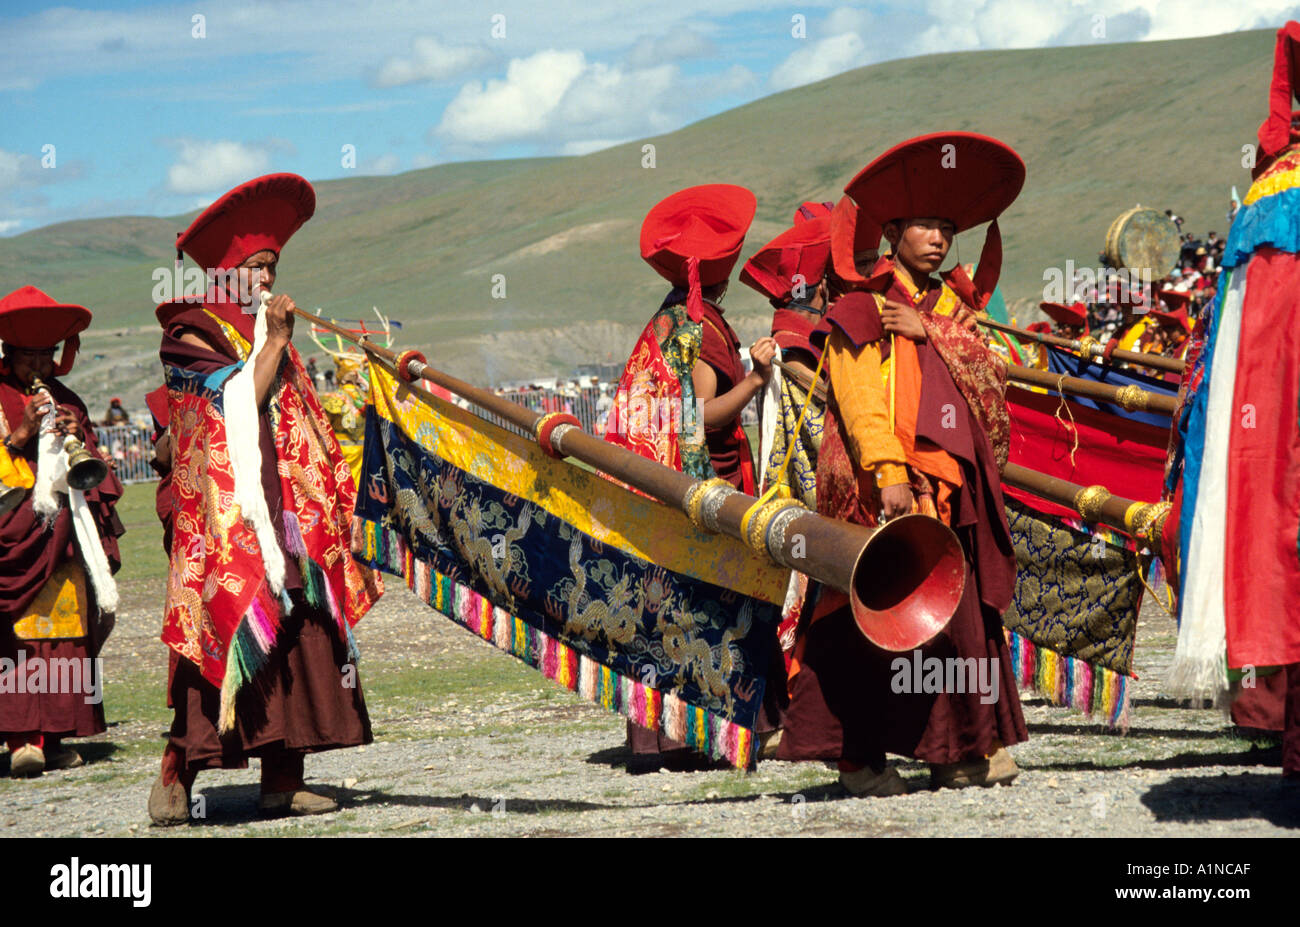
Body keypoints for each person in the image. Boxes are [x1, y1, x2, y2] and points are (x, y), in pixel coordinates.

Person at [777, 133, 1027, 795]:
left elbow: (993, 381)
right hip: (883, 488)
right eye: (925, 226)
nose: (940, 239)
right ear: (892, 232)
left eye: (948, 228)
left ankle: (965, 746)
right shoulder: (863, 307)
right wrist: (887, 471)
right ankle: (862, 759)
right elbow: (858, 399)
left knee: (959, 620)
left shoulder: (950, 312)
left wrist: (936, 334)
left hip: (952, 487)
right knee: (876, 625)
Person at [147, 173, 382, 825]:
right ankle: (178, 766)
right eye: (255, 267)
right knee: (221, 631)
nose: (267, 279)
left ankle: (285, 775)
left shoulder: (271, 332)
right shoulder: (189, 332)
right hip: (222, 520)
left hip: (286, 511)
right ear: (225, 272)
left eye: (273, 266)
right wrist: (273, 342)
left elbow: (297, 420)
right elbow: (225, 409)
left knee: (300, 634)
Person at [604, 183, 784, 771]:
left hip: (662, 488)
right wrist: (756, 379)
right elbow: (698, 417)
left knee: (665, 606)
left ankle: (662, 737)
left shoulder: (669, 319)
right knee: (707, 604)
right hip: (701, 489)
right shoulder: (699, 328)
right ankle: (701, 736)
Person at [0, 286, 124, 777]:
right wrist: (20, 437)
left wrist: (82, 436)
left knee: (65, 634)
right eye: (29, 355)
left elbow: (93, 465)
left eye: (47, 354)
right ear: (8, 352)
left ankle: (52, 734)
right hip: (14, 532)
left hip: (64, 537)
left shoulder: (67, 398)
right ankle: (19, 737)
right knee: (17, 638)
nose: (39, 365)